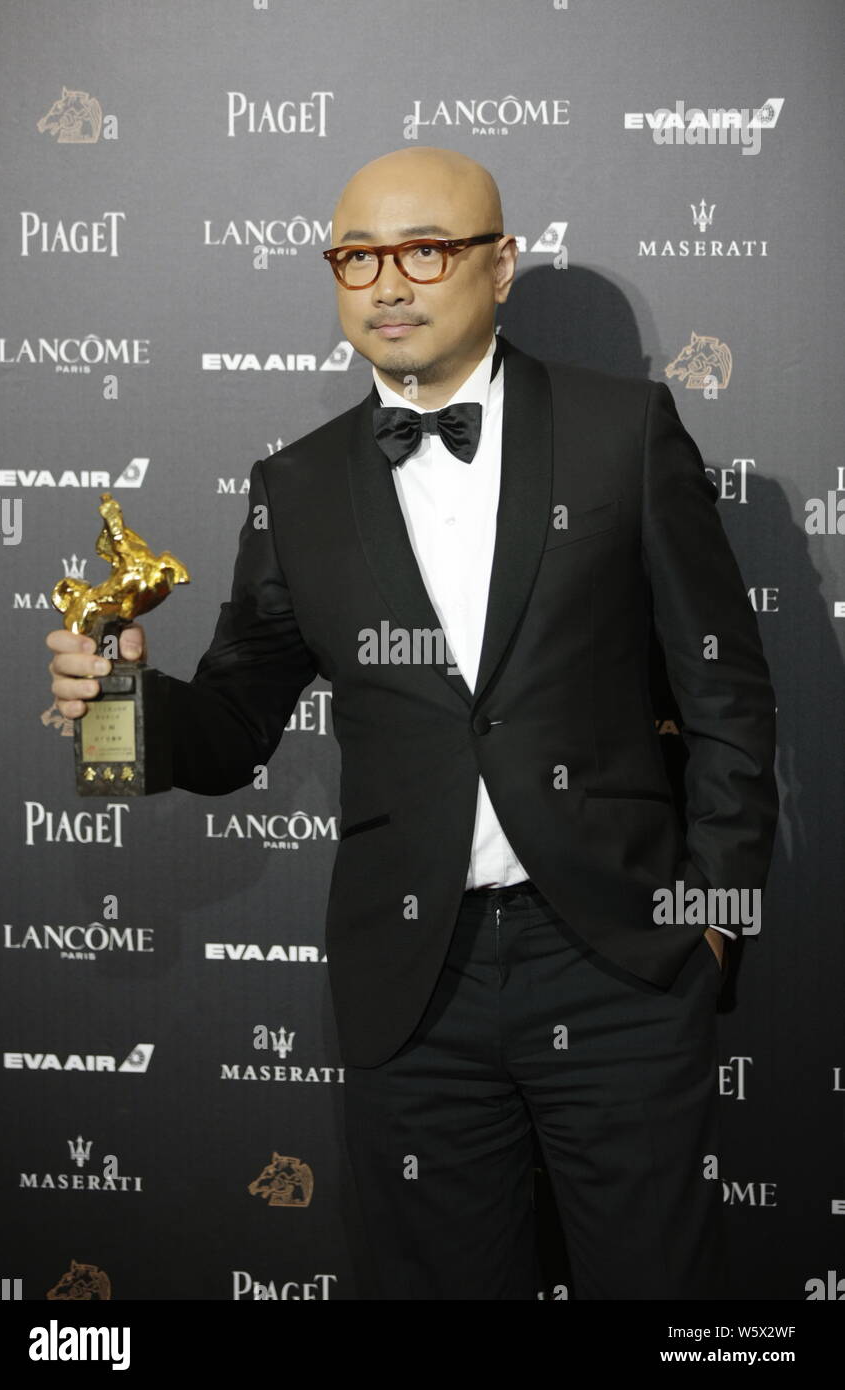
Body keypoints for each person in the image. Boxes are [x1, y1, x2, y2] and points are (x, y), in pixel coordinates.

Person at [47, 145, 778, 1300]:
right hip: (412, 985)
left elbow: (723, 687)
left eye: (423, 251)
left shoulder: (620, 430)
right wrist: (124, 708)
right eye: (355, 258)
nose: (386, 284)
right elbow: (236, 720)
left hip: (617, 959)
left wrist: (711, 918)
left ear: (499, 268)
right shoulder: (294, 484)